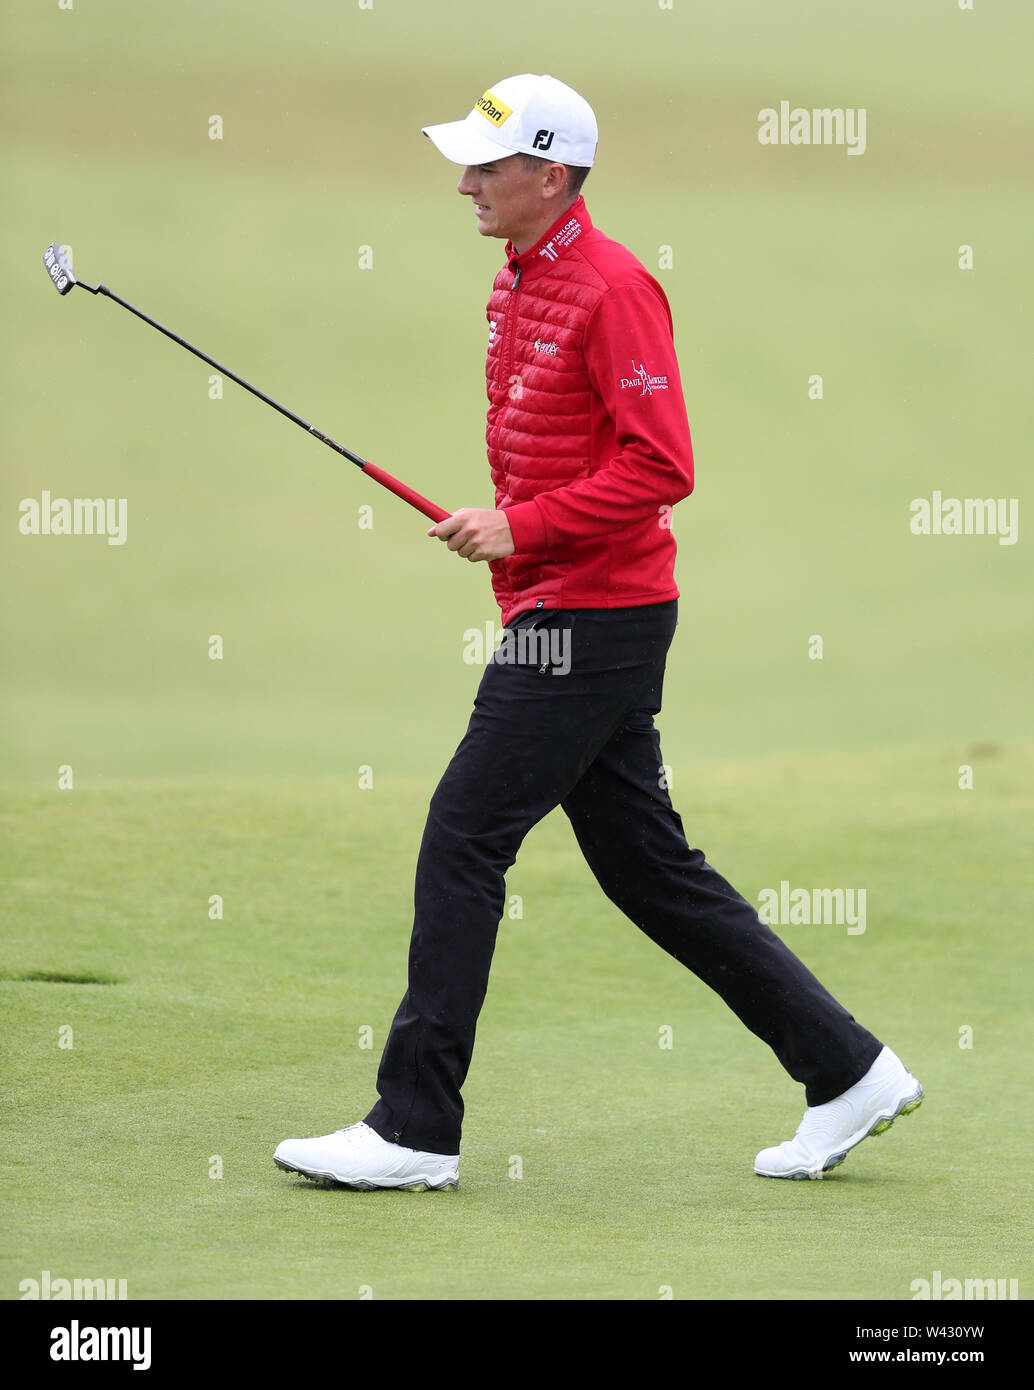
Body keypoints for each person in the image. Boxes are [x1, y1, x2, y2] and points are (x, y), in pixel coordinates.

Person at [274, 74, 922, 1190]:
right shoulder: (519, 280)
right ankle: (847, 1069)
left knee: (464, 833)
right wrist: (514, 533)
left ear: (551, 173)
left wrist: (517, 526)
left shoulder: (614, 288)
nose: (465, 183)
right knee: (645, 868)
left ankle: (414, 1127)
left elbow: (662, 464)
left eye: (487, 166)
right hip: (572, 605)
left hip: (591, 618)